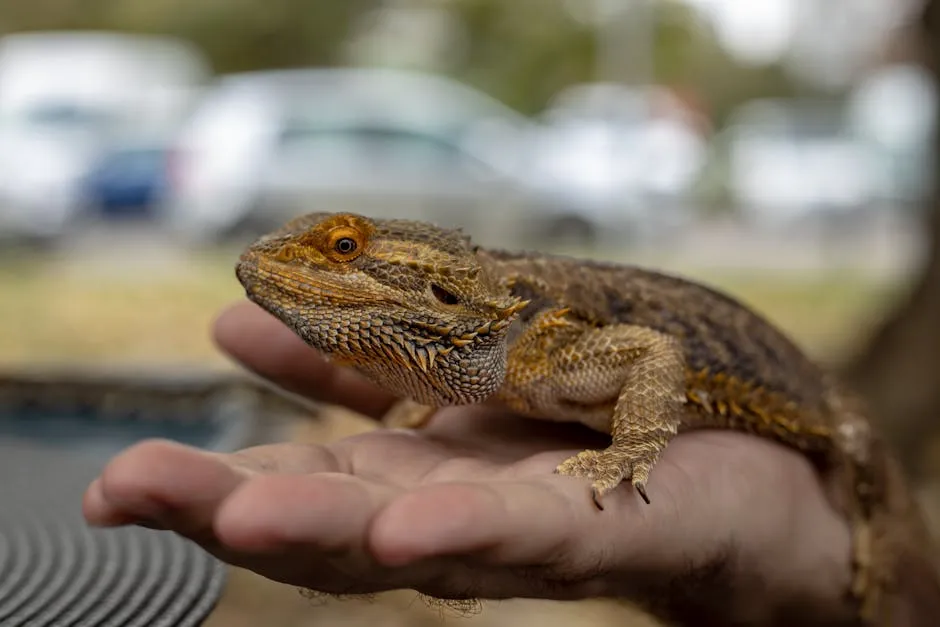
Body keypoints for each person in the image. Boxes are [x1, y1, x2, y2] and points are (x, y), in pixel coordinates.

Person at [83, 301, 939, 626]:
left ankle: (870, 534)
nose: (324, 270)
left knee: (860, 452)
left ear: (448, 292)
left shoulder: (543, 348)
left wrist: (635, 447)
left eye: (347, 250)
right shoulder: (495, 349)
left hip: (812, 412)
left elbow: (650, 353)